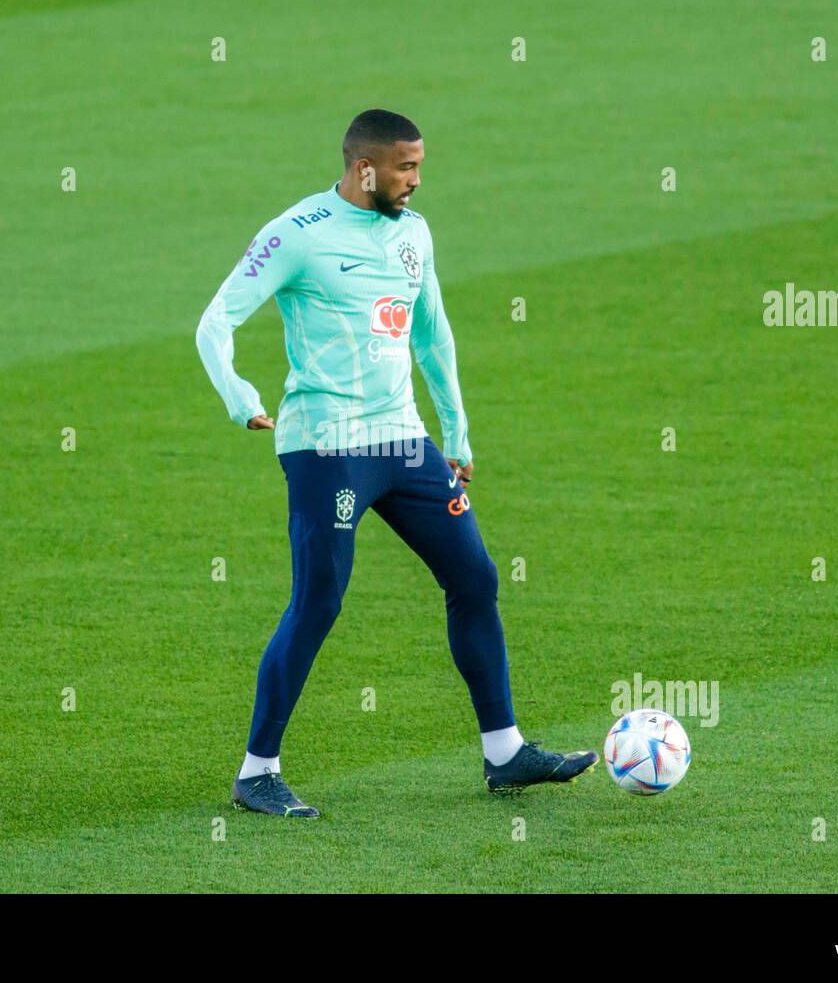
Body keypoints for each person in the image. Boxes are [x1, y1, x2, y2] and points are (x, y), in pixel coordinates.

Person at [196, 109, 597, 817]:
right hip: (327, 444)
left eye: (419, 166)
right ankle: (257, 771)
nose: (416, 180)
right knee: (319, 600)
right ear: (365, 169)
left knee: (475, 576)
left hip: (402, 442)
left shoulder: (414, 234)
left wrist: (458, 433)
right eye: (406, 167)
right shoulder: (298, 234)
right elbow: (216, 321)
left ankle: (505, 753)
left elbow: (432, 333)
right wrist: (239, 396)